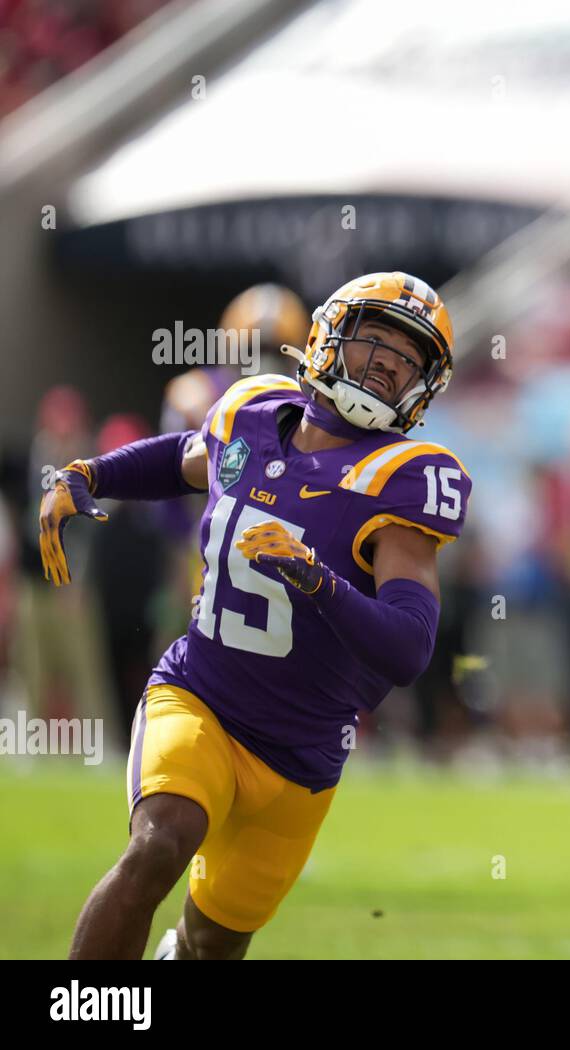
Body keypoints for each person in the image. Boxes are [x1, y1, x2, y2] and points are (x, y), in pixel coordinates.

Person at [43, 272, 470, 959]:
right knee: (160, 843)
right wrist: (93, 474)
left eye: (409, 357)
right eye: (378, 340)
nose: (390, 361)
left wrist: (315, 579)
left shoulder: (405, 477)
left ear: (425, 384)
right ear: (328, 337)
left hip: (301, 756)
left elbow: (408, 648)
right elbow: (187, 460)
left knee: (212, 943)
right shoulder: (247, 409)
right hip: (201, 698)